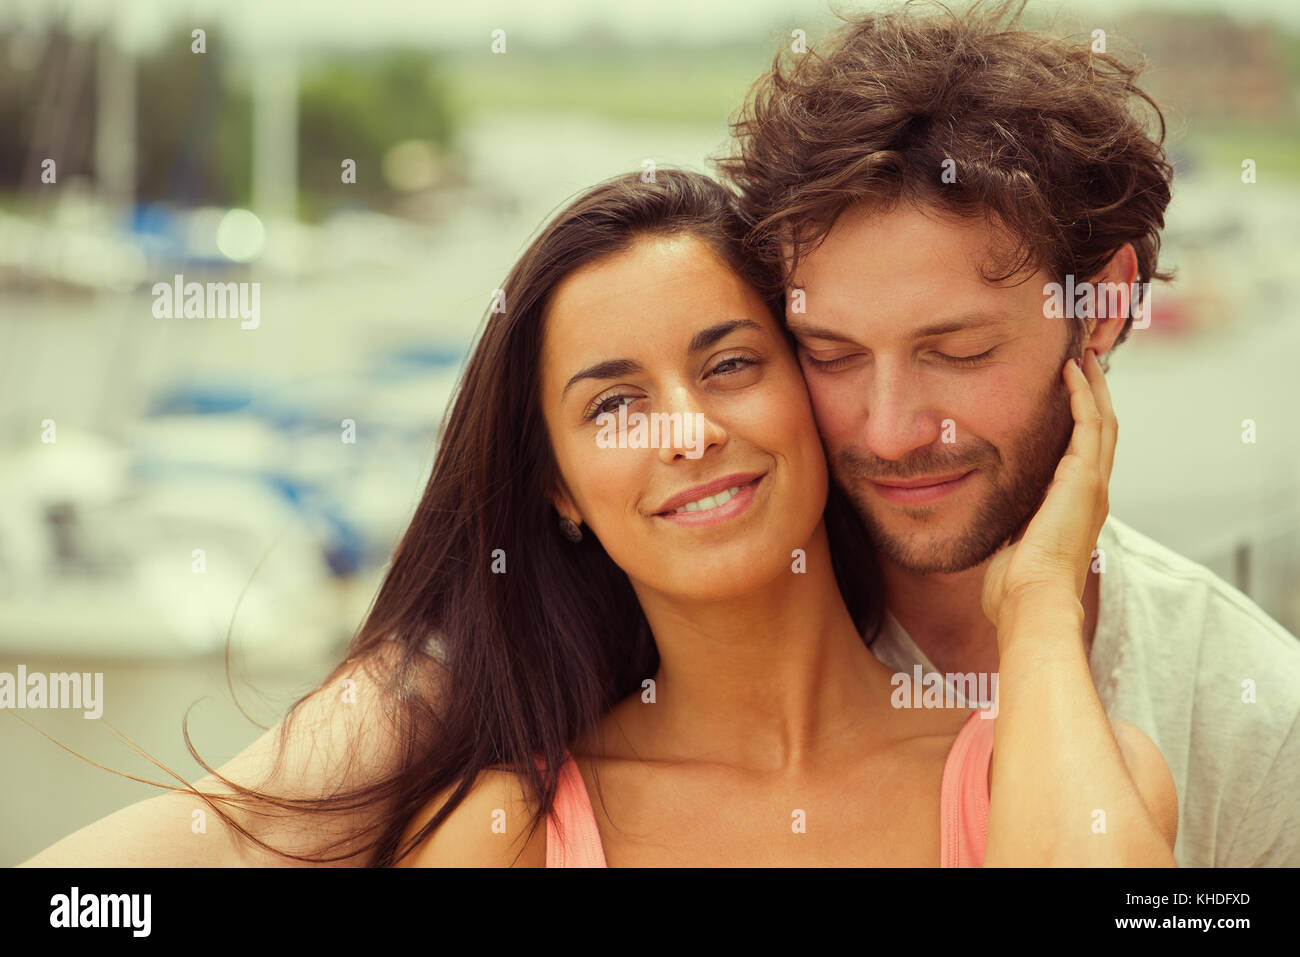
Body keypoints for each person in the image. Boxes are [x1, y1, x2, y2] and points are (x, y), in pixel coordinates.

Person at [26, 169, 1174, 867]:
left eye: (729, 364)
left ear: (809, 390)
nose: (686, 431)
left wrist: (1035, 607)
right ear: (560, 489)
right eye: (614, 404)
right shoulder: (510, 826)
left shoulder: (1063, 774)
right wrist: (388, 697)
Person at [715, 0, 1300, 866]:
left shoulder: (1255, 721)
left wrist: (1037, 611)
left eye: (958, 352)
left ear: (1101, 306)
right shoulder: (688, 632)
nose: (891, 431)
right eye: (832, 354)